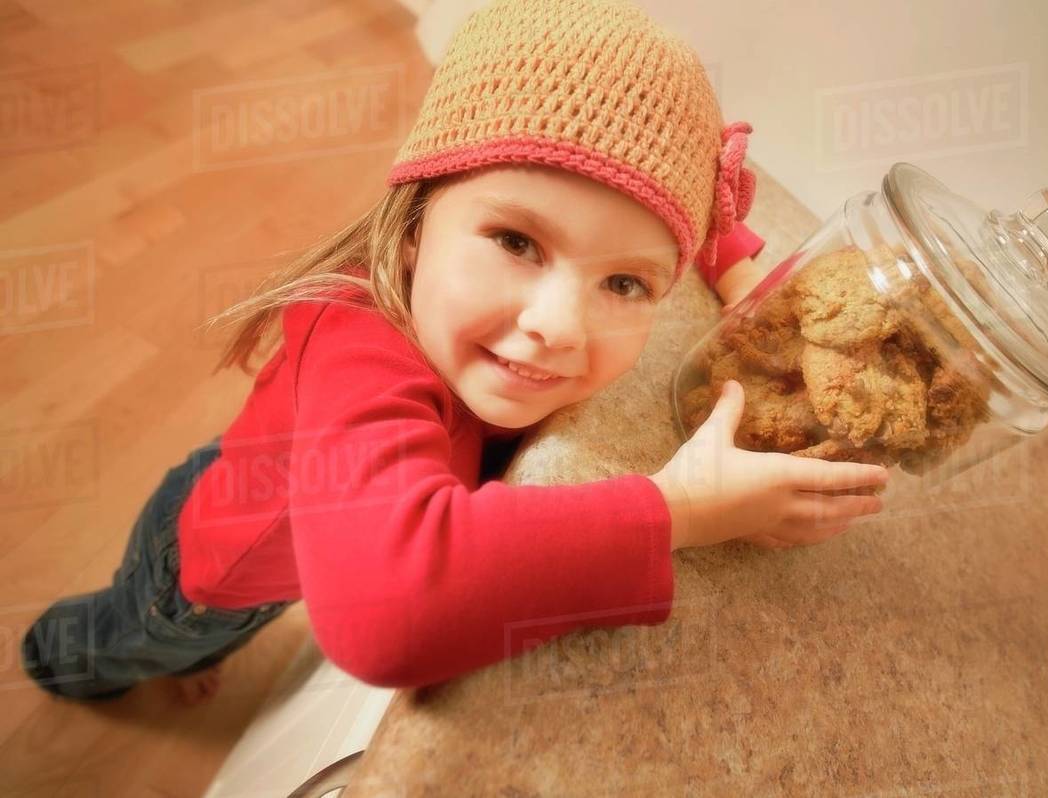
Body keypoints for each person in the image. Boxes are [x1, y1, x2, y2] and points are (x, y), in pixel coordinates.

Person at [21, 0, 887, 704]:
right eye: (516, 241)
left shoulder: (516, 293)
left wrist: (745, 280)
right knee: (132, 640)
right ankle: (56, 661)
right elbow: (383, 612)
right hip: (206, 566)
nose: (560, 325)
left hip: (309, 531)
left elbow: (678, 214)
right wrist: (682, 511)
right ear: (412, 223)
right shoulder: (353, 331)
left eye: (624, 283)